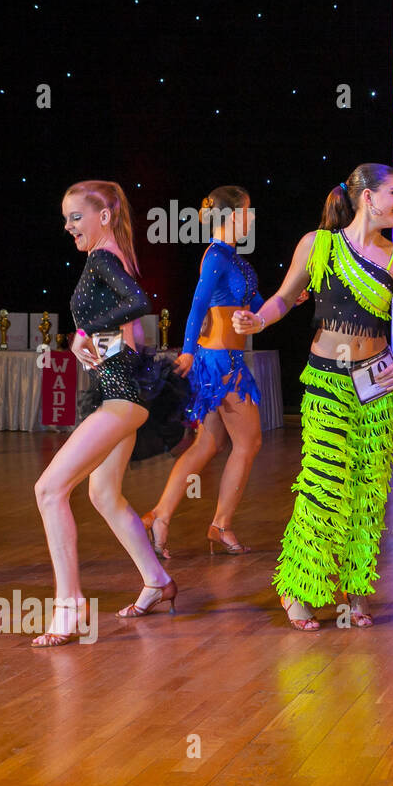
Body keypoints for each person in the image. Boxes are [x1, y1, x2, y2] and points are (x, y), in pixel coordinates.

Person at [233, 164, 393, 630]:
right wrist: (259, 320)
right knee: (323, 484)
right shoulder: (318, 245)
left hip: (378, 383)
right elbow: (283, 298)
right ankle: (298, 587)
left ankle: (356, 590)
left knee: (369, 490)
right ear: (367, 197)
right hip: (327, 381)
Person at [32, 180, 176, 646]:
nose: (69, 226)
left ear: (104, 216)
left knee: (49, 489)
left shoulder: (103, 257)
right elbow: (128, 333)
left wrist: (82, 333)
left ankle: (69, 605)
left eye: (77, 216)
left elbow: (138, 302)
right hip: (121, 394)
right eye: (66, 218)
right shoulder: (113, 253)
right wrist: (101, 341)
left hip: (120, 400)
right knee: (104, 495)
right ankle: (157, 580)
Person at [142, 187, 264, 558]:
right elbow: (196, 307)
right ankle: (220, 524)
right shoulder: (215, 257)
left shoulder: (235, 259)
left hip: (227, 359)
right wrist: (189, 352)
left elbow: (260, 307)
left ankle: (161, 515)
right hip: (219, 362)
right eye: (249, 211)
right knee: (249, 441)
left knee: (209, 443)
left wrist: (293, 297)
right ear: (232, 216)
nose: (253, 217)